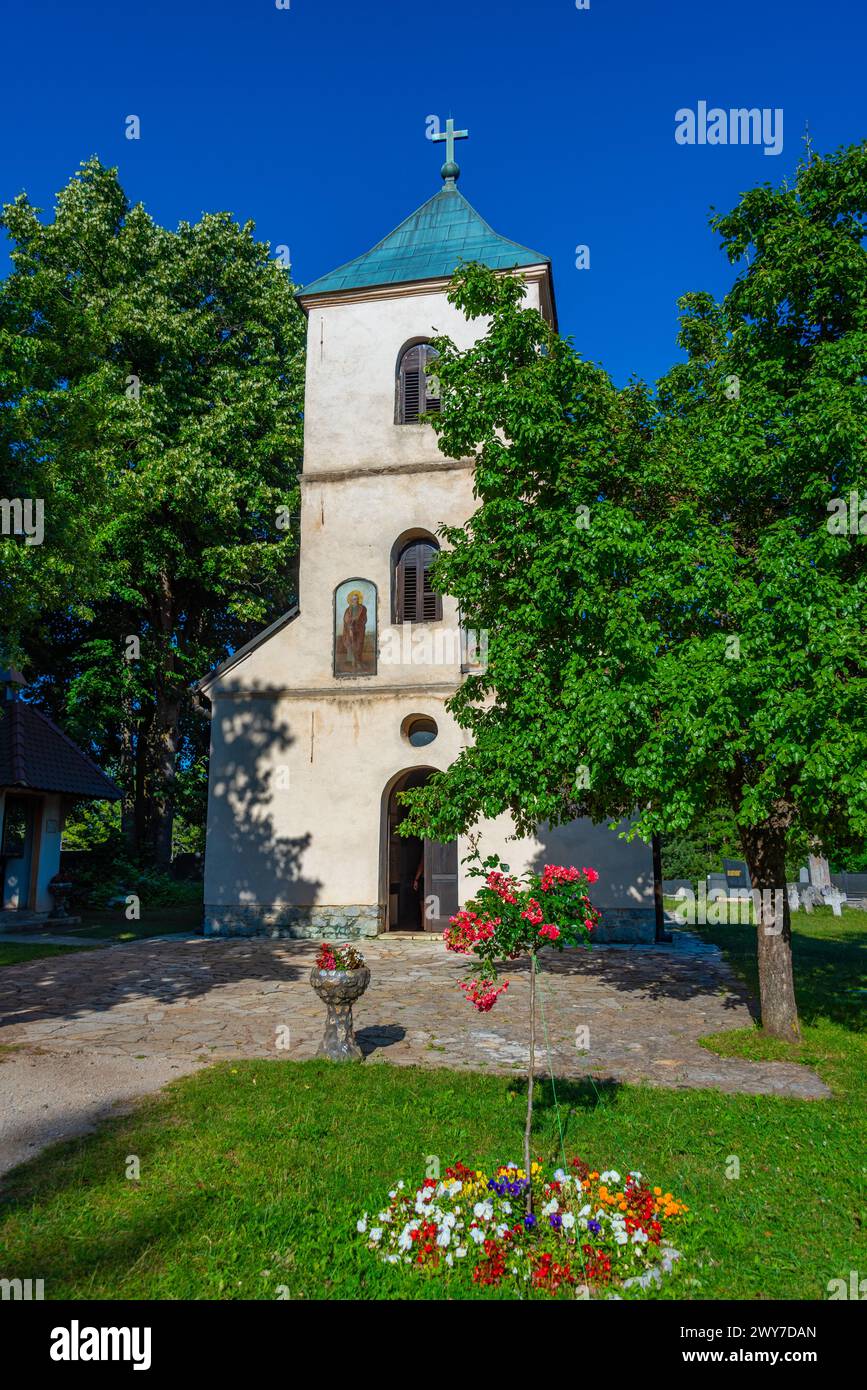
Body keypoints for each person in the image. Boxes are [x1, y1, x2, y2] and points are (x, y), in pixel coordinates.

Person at [412, 851, 425, 930]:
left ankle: (423, 924)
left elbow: (422, 865)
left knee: (422, 902)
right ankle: (424, 923)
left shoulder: (425, 853)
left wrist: (416, 879)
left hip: (424, 878)